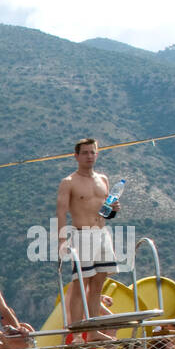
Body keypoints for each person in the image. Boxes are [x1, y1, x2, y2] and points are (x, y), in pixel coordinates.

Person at [57, 138, 118, 337]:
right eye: (85, 152)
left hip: (102, 233)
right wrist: (62, 241)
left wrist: (114, 210)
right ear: (76, 156)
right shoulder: (69, 182)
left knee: (98, 284)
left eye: (92, 152)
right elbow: (61, 212)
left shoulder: (103, 179)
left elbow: (106, 211)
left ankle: (93, 330)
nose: (89, 156)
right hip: (82, 234)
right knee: (80, 284)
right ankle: (76, 334)